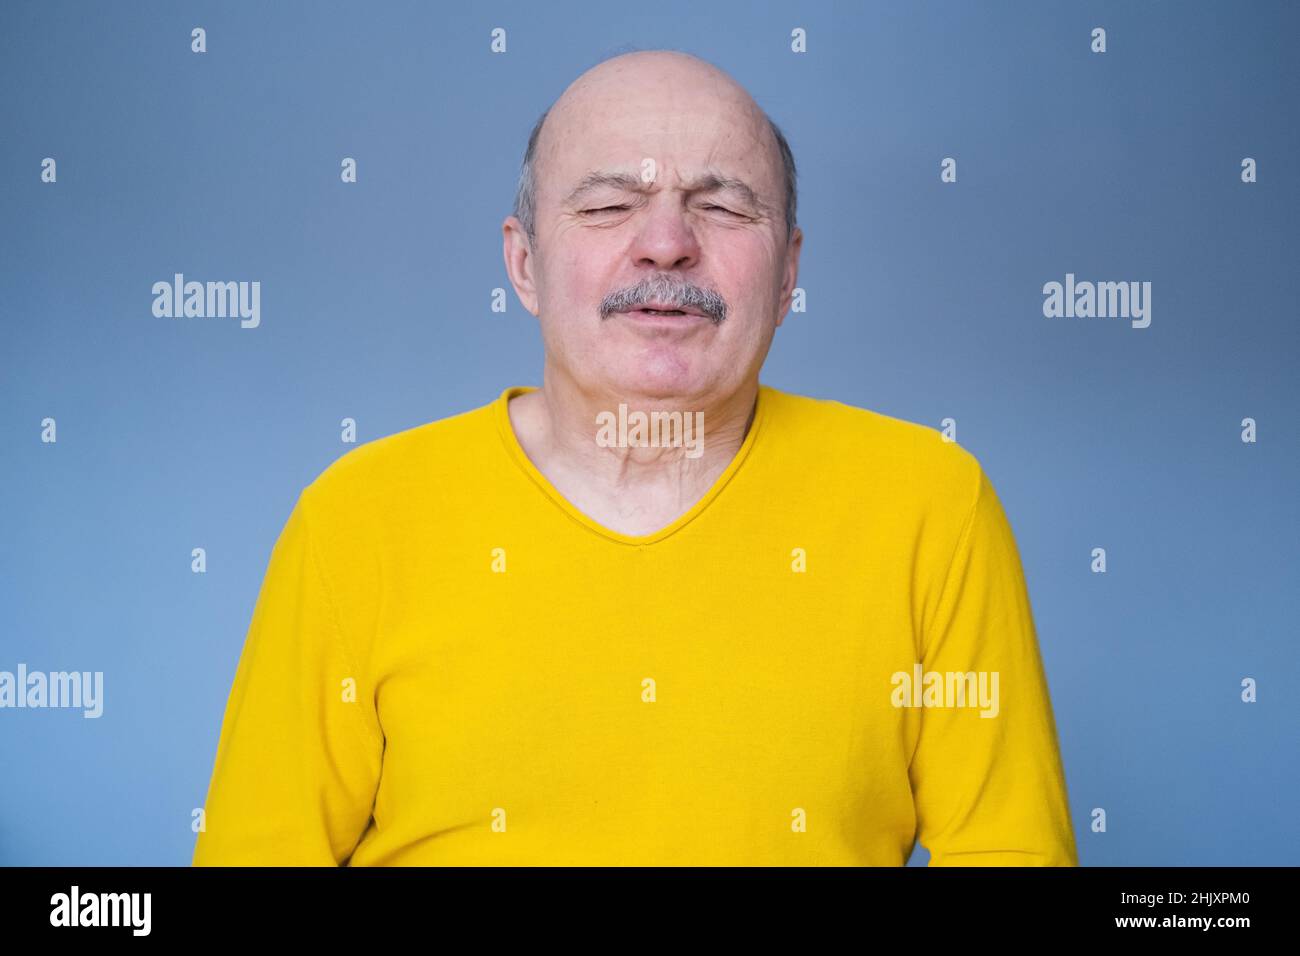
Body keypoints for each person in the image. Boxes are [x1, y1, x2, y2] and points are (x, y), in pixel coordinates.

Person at [192, 49, 1077, 866]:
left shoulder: (930, 504)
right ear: (525, 263)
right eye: (609, 204)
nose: (665, 243)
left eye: (724, 207)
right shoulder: (357, 518)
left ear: (788, 274)